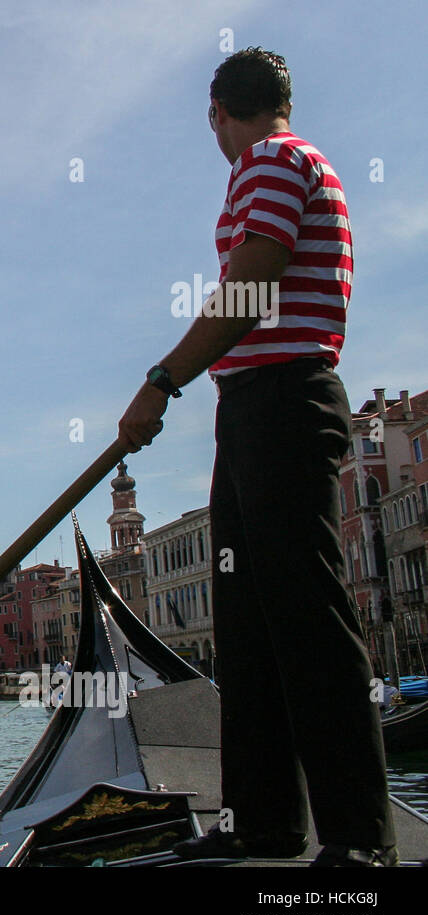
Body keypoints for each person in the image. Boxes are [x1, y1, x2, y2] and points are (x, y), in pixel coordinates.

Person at [116, 48, 396, 866]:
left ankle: (357, 840)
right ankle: (262, 824)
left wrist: (162, 380)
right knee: (250, 629)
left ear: (218, 112)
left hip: (282, 401)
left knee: (306, 620)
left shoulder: (273, 162)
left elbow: (253, 280)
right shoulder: (283, 164)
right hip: (251, 409)